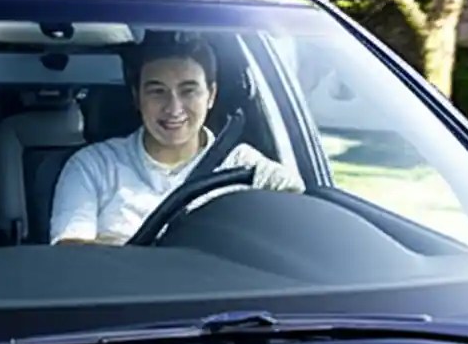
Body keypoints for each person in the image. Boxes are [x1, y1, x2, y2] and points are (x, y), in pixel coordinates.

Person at [48, 36, 304, 245]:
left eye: (188, 91)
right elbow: (71, 255)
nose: (174, 108)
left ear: (211, 95)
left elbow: (303, 220)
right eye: (157, 91)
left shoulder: (244, 167)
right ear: (137, 98)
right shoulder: (94, 166)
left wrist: (114, 245)